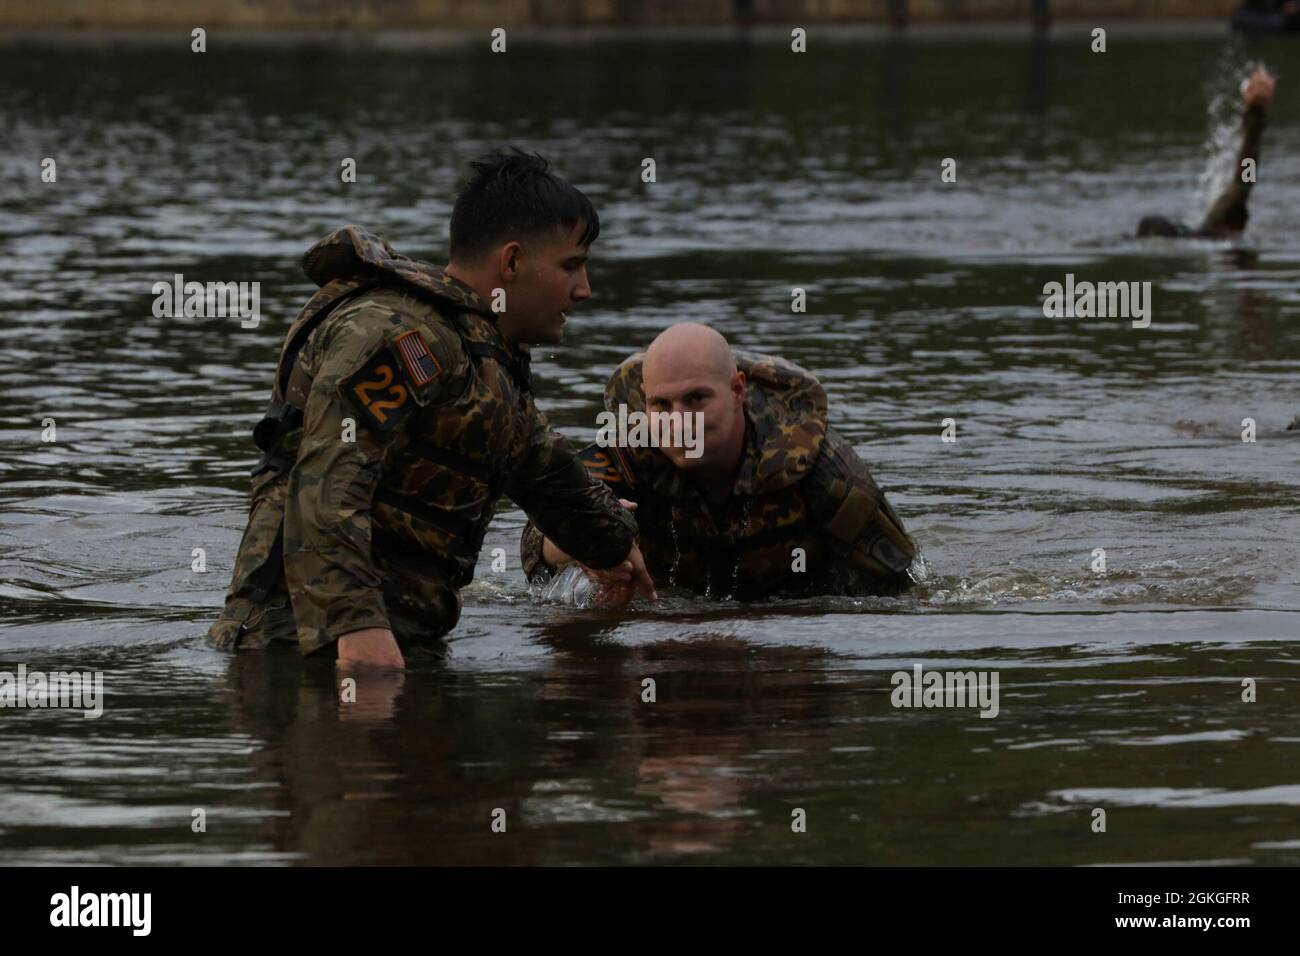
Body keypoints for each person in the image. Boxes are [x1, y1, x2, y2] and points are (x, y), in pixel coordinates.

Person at [208, 149, 654, 670]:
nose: (584, 290)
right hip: (303, 652)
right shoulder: (398, 336)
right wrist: (359, 632)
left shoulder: (483, 360)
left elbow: (554, 478)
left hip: (402, 649)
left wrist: (616, 547)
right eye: (571, 266)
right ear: (511, 261)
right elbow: (326, 487)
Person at [520, 323, 917, 605]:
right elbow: (534, 546)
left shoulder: (822, 469)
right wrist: (585, 533)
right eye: (661, 405)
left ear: (737, 391)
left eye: (696, 399)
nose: (678, 422)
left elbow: (902, 588)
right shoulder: (624, 456)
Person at [1137, 68, 1276, 239]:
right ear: (1230, 226)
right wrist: (1257, 112)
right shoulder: (1217, 231)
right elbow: (1245, 181)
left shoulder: (1202, 233)